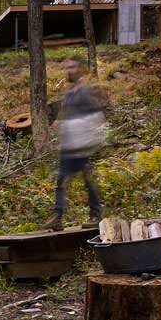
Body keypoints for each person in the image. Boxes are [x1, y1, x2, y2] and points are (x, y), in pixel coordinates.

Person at [48, 56, 105, 230]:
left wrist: (88, 139)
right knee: (61, 182)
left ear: (80, 69)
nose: (69, 70)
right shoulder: (69, 94)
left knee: (89, 182)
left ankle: (96, 215)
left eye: (72, 67)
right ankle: (57, 218)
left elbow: (97, 117)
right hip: (70, 147)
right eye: (67, 67)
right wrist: (61, 128)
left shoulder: (86, 92)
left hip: (84, 147)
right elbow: (68, 118)